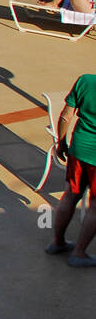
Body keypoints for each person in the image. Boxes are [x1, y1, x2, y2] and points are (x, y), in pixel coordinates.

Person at [47, 74, 96, 267]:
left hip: (78, 149)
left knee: (70, 195)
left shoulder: (85, 81)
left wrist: (61, 142)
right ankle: (79, 253)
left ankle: (57, 243)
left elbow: (66, 115)